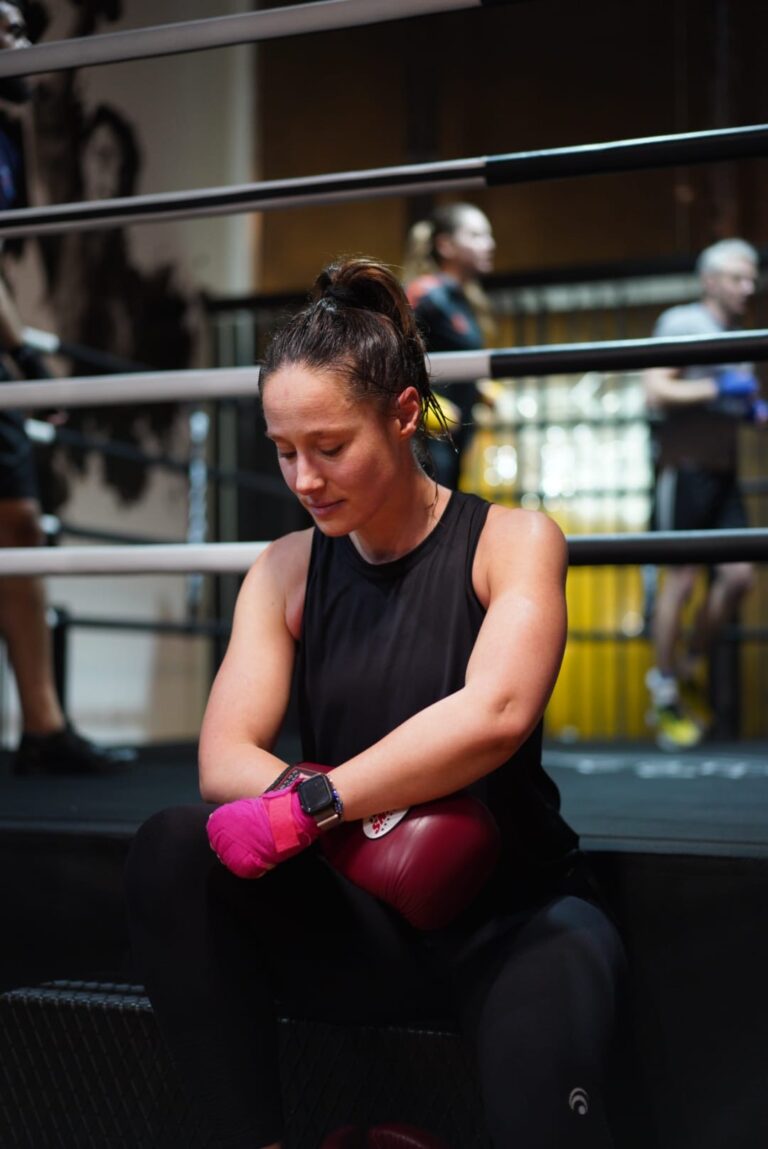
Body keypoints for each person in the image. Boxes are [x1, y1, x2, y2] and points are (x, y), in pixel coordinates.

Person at [125, 257, 626, 1149]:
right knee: (171, 846)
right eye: (284, 451)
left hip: (510, 921)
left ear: (403, 416)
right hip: (360, 915)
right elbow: (224, 753)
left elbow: (497, 712)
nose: (305, 478)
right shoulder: (283, 569)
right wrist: (346, 824)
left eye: (329, 446)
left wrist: (316, 803)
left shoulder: (510, 542)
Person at [0, 0, 125, 774]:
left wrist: (23, 360)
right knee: (17, 520)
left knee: (18, 523)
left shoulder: (8, 132)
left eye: (22, 31)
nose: (21, 44)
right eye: (6, 31)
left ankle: (42, 726)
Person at [644, 238, 765, 750]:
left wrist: (753, 410)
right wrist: (719, 391)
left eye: (753, 277)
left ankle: (689, 665)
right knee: (682, 577)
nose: (749, 286)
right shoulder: (682, 323)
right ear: (710, 279)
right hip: (685, 470)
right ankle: (665, 689)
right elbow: (656, 389)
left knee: (739, 575)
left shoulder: (736, 338)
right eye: (739, 277)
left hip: (725, 475)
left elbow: (743, 408)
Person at [404, 202, 496, 489]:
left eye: (488, 235)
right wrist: (424, 404)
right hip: (428, 442)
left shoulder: (462, 300)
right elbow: (391, 351)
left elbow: (445, 355)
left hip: (455, 439)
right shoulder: (426, 294)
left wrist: (479, 388)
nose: (489, 244)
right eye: (476, 236)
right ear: (445, 245)